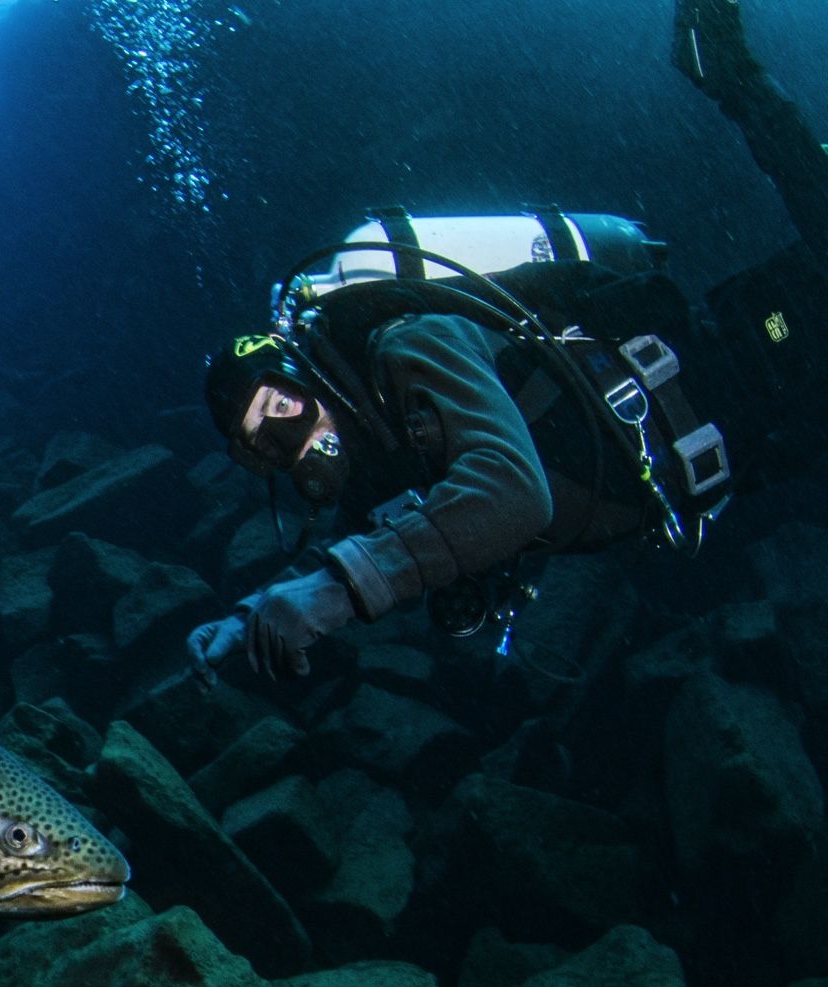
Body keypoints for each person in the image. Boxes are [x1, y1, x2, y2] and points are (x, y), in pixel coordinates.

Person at [187, 0, 826, 682]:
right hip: (751, 444)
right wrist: (248, 615)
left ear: (300, 373)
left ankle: (730, 72)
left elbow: (515, 495)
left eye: (280, 404)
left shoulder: (408, 344)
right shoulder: (392, 458)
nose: (291, 436)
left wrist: (329, 595)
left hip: (731, 367)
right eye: (265, 443)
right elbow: (367, 543)